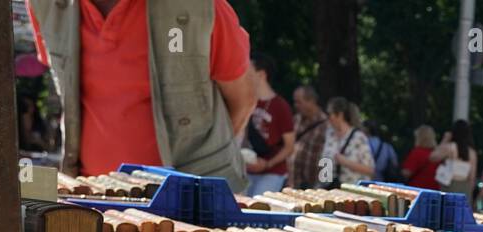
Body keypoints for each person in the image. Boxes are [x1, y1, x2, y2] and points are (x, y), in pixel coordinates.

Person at [26, 0, 255, 191]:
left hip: (194, 209)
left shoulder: (198, 7)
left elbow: (242, 100)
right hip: (95, 204)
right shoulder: (46, 5)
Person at [243, 53, 294, 196]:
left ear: (261, 74)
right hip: (249, 169)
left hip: (273, 171)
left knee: (258, 206)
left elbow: (289, 146)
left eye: (249, 70)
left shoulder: (280, 106)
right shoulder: (247, 101)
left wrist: (267, 164)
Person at [319, 97, 374, 187]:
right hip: (332, 191)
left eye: (329, 114)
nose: (327, 118)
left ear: (339, 115)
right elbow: (325, 167)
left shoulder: (359, 137)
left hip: (354, 192)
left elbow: (370, 170)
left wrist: (344, 162)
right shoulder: (329, 135)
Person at [289, 85, 328, 188]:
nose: (296, 105)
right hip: (292, 182)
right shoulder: (296, 120)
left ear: (311, 101)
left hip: (312, 186)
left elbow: (328, 158)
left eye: (299, 102)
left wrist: (324, 186)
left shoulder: (326, 125)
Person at [430, 119, 477, 201]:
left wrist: (445, 139)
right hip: (465, 186)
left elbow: (432, 157)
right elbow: (472, 177)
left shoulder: (450, 147)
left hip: (449, 184)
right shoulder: (472, 152)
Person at [401, 125, 439, 189]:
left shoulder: (417, 153)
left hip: (417, 191)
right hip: (434, 192)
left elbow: (406, 173)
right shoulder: (438, 154)